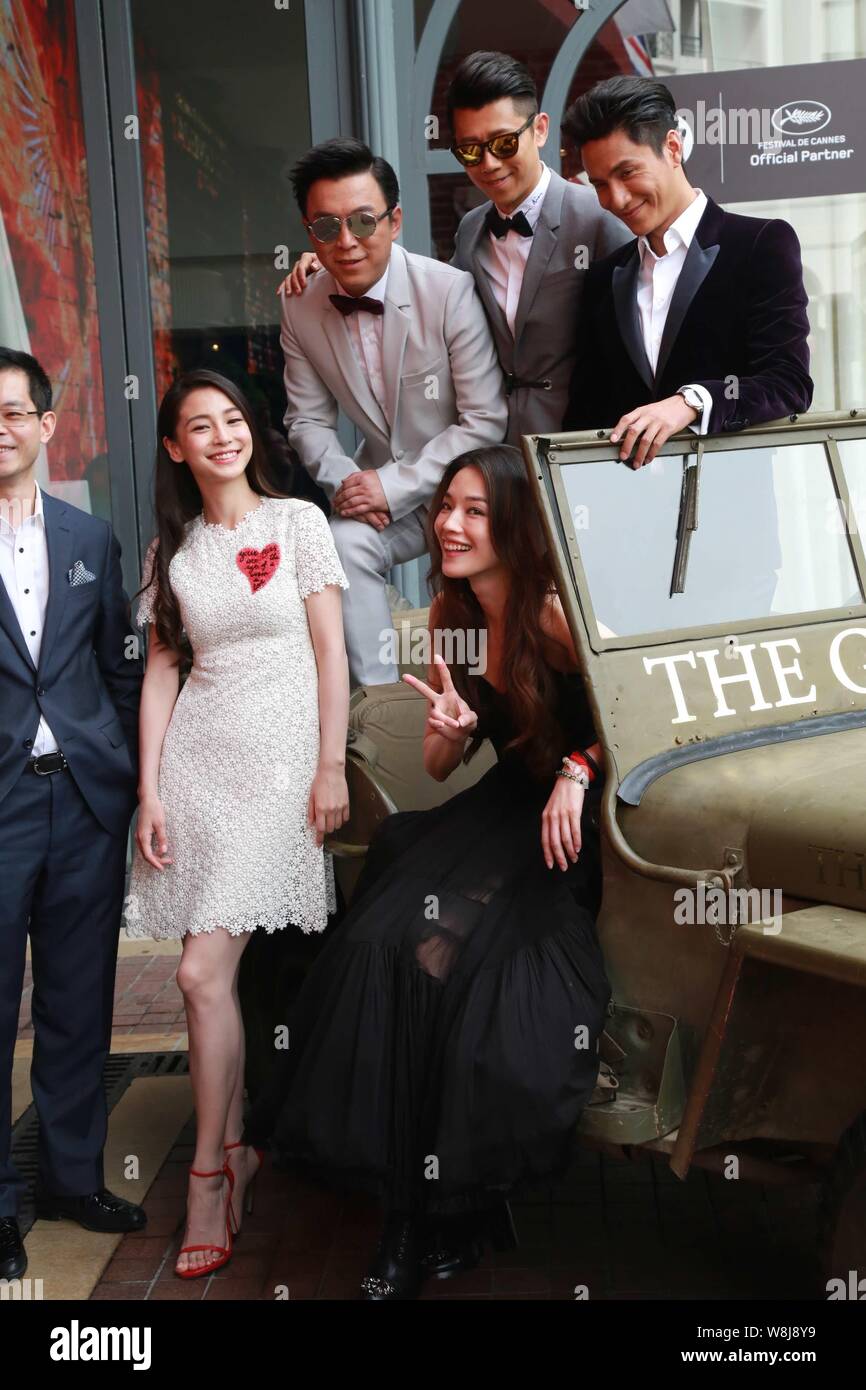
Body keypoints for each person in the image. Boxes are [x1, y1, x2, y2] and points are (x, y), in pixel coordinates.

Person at [245, 444, 611, 1300]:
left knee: (442, 960)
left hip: (569, 828)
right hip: (499, 812)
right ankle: (435, 1209)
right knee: (380, 943)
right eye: (447, 505)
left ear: (514, 524)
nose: (449, 523)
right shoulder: (457, 613)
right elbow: (448, 768)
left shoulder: (555, 613)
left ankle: (423, 1219)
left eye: (475, 510)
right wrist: (450, 729)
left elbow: (640, 718)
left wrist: (579, 767)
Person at [125, 369, 351, 1279]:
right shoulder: (169, 553)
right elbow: (163, 674)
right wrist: (149, 790)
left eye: (232, 420)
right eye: (199, 427)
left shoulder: (299, 524)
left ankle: (211, 1177)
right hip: (198, 769)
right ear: (175, 448)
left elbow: (332, 654)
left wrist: (331, 762)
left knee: (197, 970)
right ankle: (236, 1150)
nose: (222, 437)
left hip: (281, 768)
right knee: (204, 980)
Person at [281, 53, 628, 447]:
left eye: (504, 142)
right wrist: (330, 262)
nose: (489, 163)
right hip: (498, 452)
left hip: (583, 443)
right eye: (470, 150)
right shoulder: (472, 229)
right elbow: (425, 296)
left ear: (540, 129)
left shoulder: (598, 216)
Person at [0, 347, 144, 1282]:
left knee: (79, 1002)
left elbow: (121, 665)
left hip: (84, 801)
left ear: (48, 427)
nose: (0, 428)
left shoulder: (89, 541)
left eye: (16, 411)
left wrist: (125, 773)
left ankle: (70, 1178)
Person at [274, 137, 508, 685]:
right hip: (382, 493)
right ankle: (378, 701)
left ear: (395, 220)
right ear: (310, 233)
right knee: (342, 540)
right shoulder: (299, 303)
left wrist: (393, 484)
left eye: (363, 221)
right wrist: (350, 481)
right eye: (327, 228)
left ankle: (482, 695)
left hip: (471, 488)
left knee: (470, 611)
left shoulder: (448, 291)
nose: (347, 242)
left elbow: (484, 420)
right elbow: (306, 419)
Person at [561, 76, 813, 460]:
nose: (616, 198)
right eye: (600, 184)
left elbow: (788, 383)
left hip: (734, 499)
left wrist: (690, 402)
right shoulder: (603, 277)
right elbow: (586, 411)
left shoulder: (760, 244)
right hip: (624, 504)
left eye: (627, 173)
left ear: (673, 148)